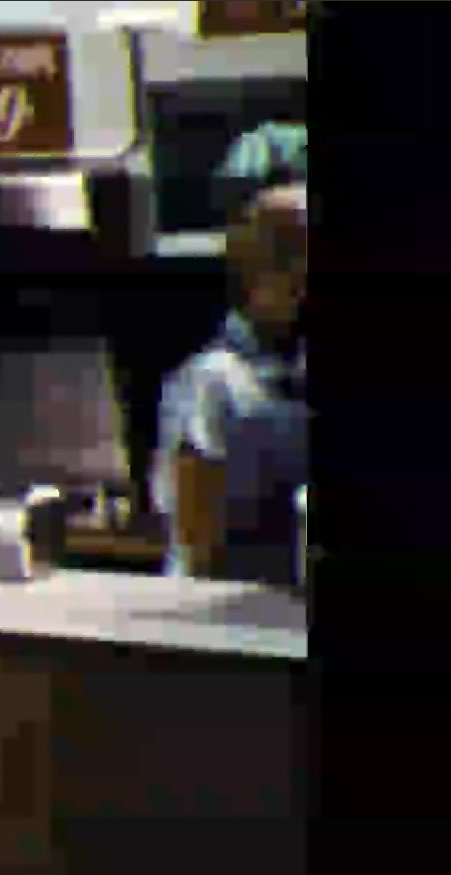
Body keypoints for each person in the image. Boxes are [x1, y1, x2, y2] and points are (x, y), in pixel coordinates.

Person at [151, 182, 309, 585]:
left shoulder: (297, 372)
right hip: (223, 620)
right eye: (296, 275)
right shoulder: (214, 383)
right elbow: (198, 543)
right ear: (260, 276)